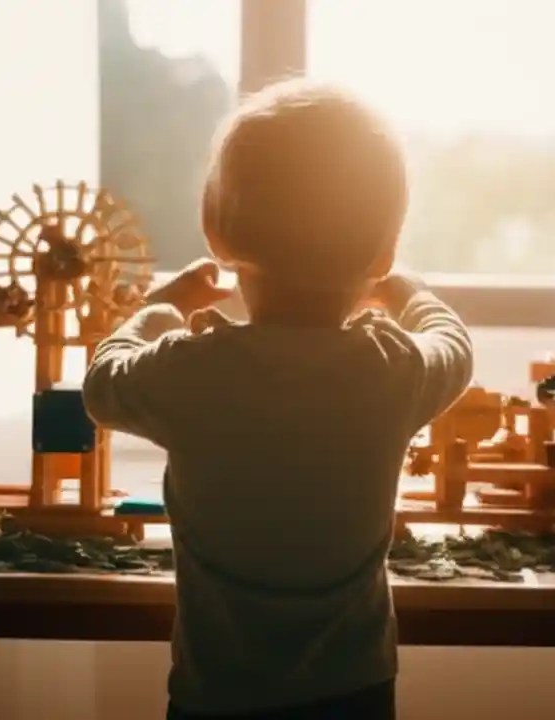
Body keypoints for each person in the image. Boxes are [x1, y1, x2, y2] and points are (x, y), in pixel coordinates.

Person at [82, 78, 474, 719]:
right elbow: (453, 348)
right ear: (383, 252)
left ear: (216, 233)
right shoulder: (390, 370)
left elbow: (102, 383)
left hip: (217, 695)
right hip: (356, 693)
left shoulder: (192, 371)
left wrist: (163, 307)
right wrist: (409, 293)